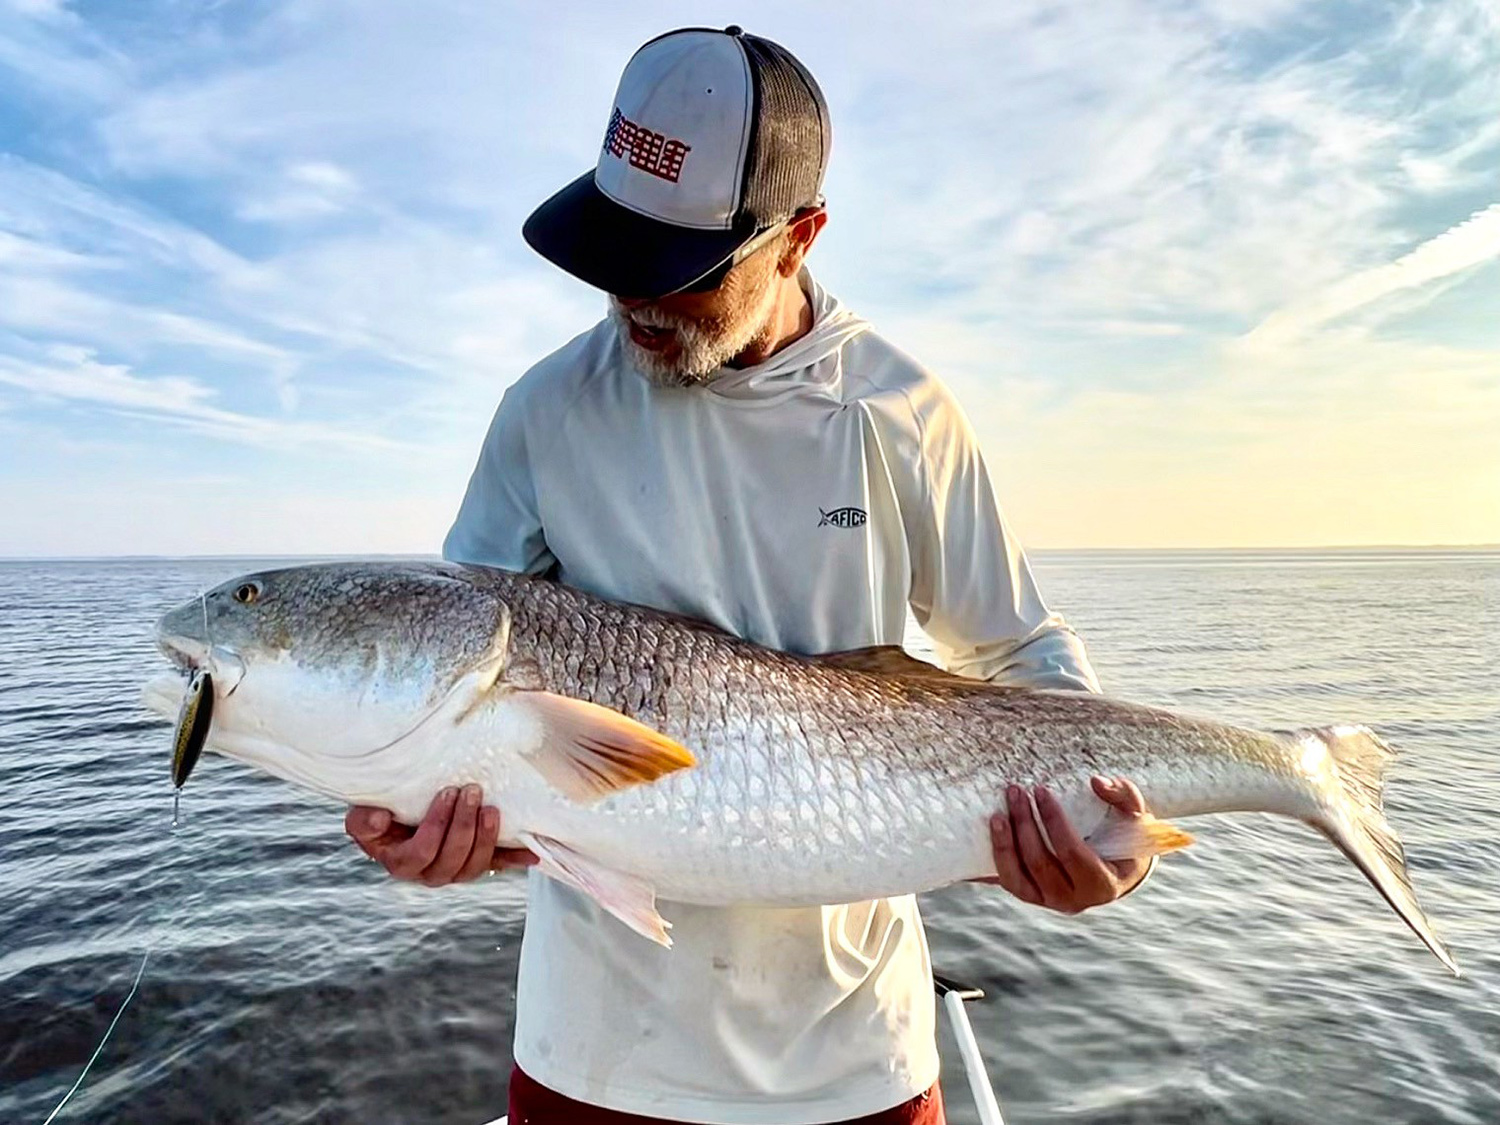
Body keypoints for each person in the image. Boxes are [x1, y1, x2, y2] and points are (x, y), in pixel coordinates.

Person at [345, 26, 1154, 1125]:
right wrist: (444, 832)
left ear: (799, 236)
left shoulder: (900, 412)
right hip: (594, 1053)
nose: (635, 299)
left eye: (678, 271)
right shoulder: (544, 409)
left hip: (854, 1059)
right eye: (613, 253)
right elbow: (468, 669)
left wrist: (1108, 839)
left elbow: (1018, 651)